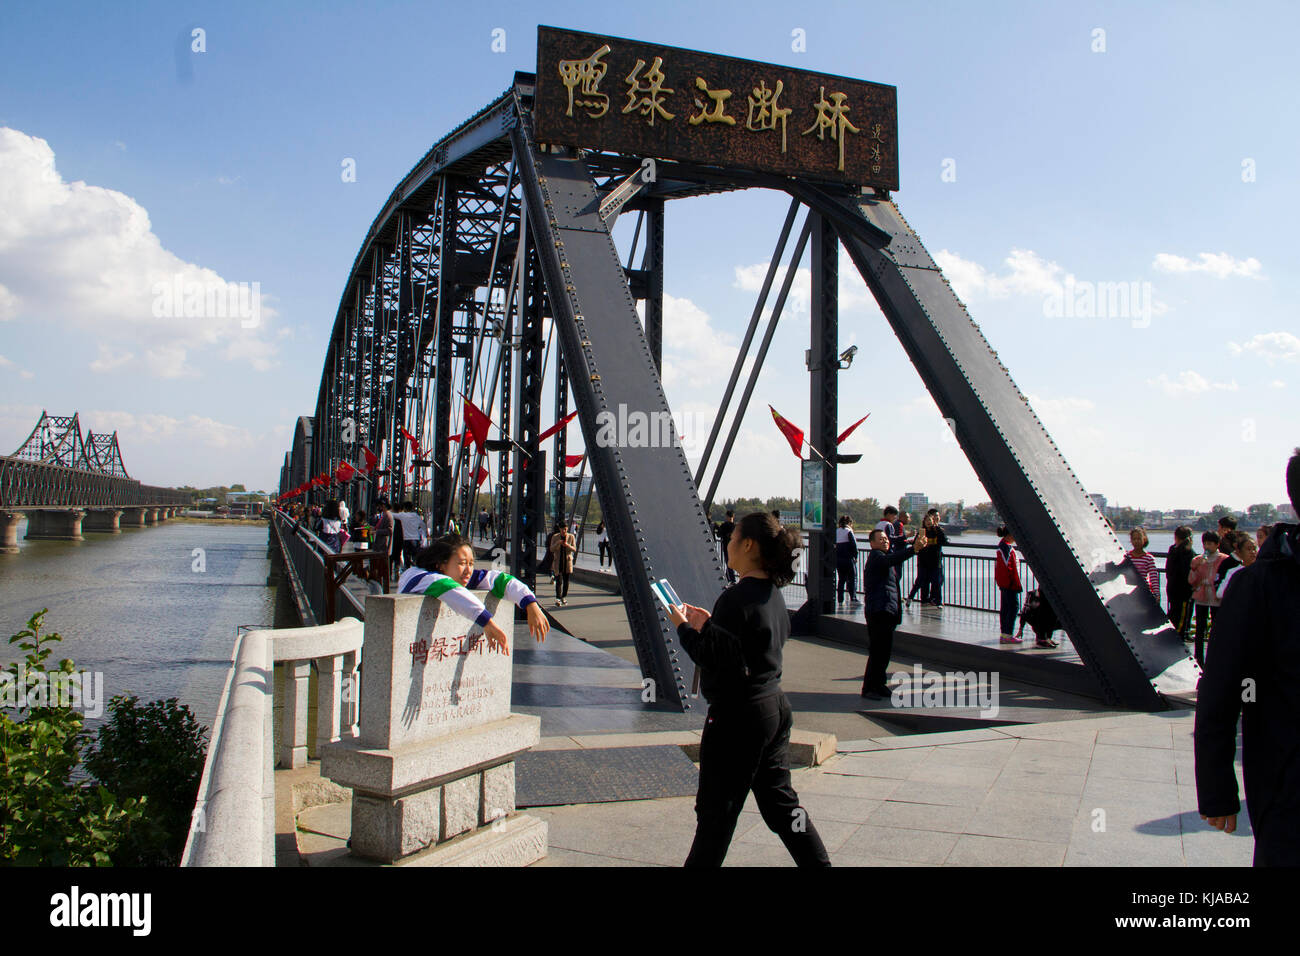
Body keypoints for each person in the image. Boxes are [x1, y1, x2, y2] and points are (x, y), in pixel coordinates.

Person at [667, 512, 831, 867]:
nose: (726, 544)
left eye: (731, 539)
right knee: (782, 807)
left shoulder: (734, 598)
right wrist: (708, 624)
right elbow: (747, 648)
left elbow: (711, 657)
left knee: (716, 815)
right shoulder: (774, 596)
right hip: (773, 709)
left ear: (748, 545)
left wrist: (682, 626)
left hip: (736, 720)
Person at [1196, 447, 1300, 866]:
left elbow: (1222, 689)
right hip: (1289, 792)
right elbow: (1224, 690)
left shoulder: (1258, 585)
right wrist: (1219, 788)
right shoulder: (1260, 586)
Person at [397, 534, 550, 653]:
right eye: (462, 563)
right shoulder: (420, 577)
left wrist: (530, 604)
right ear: (441, 564)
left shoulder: (456, 576)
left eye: (471, 563)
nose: (468, 570)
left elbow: (500, 579)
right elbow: (449, 588)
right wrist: (487, 622)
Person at [860, 526, 920, 698]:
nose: (885, 541)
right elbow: (893, 559)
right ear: (872, 543)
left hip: (886, 610)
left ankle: (879, 684)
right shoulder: (877, 557)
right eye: (881, 539)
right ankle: (869, 687)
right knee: (878, 651)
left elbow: (893, 559)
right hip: (878, 610)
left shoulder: (884, 557)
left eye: (886, 539)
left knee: (884, 651)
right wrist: (913, 550)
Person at [1188, 531, 1224, 663]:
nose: (1206, 546)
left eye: (1210, 543)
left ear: (1216, 544)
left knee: (1216, 628)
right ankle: (1199, 657)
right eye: (1205, 543)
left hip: (1216, 598)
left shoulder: (1223, 559)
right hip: (1201, 596)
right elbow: (1191, 580)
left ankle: (1214, 656)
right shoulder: (1198, 559)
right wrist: (1195, 568)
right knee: (1200, 627)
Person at [909, 511, 948, 608]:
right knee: (920, 581)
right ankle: (911, 597)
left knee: (937, 582)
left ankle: (938, 601)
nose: (928, 522)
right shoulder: (922, 532)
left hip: (935, 562)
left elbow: (944, 540)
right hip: (923, 561)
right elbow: (915, 543)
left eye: (930, 520)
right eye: (927, 521)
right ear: (924, 522)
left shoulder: (937, 531)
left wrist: (938, 529)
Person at [1165, 525, 1195, 641]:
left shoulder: (1173, 550)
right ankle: (1178, 637)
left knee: (1174, 613)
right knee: (1182, 616)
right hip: (1183, 591)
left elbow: (1169, 570)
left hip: (1173, 588)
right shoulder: (1186, 553)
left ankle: (1173, 635)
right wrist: (1187, 551)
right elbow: (1186, 570)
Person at [995, 525, 1023, 644]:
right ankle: (1008, 634)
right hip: (1010, 584)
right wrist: (1014, 583)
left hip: (1004, 583)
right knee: (1013, 607)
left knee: (1006, 608)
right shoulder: (1006, 548)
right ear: (1010, 535)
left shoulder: (1003, 546)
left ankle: (1004, 634)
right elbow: (1009, 567)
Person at [1216, 533, 1258, 602]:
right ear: (1239, 552)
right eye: (1249, 549)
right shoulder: (1233, 572)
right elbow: (1220, 593)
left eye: (1254, 549)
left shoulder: (1262, 571)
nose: (1253, 552)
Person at [1125, 528, 1160, 599]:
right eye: (1134, 539)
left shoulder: (1149, 558)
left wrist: (1156, 594)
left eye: (1139, 539)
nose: (1136, 541)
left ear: (1144, 539)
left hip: (1143, 590)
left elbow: (1153, 578)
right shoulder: (1127, 556)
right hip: (1128, 590)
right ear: (1131, 541)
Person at [548, 521, 576, 607]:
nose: (564, 531)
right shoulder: (555, 537)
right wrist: (558, 543)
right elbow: (551, 549)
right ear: (559, 529)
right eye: (562, 529)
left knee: (566, 581)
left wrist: (567, 545)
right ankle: (558, 598)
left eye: (565, 529)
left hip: (567, 562)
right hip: (558, 562)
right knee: (559, 581)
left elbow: (574, 549)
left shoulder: (571, 537)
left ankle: (563, 596)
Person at [834, 516, 859, 606]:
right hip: (848, 559)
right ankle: (853, 598)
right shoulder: (848, 531)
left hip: (838, 559)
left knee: (841, 579)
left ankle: (840, 599)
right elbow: (854, 545)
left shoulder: (836, 531)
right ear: (849, 523)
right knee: (853, 578)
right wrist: (856, 556)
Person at [717, 510, 737, 584]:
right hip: (734, 547)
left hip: (726, 546)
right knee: (732, 562)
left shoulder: (724, 525)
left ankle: (732, 579)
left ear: (727, 517)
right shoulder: (736, 527)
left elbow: (719, 534)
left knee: (728, 562)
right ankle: (729, 577)